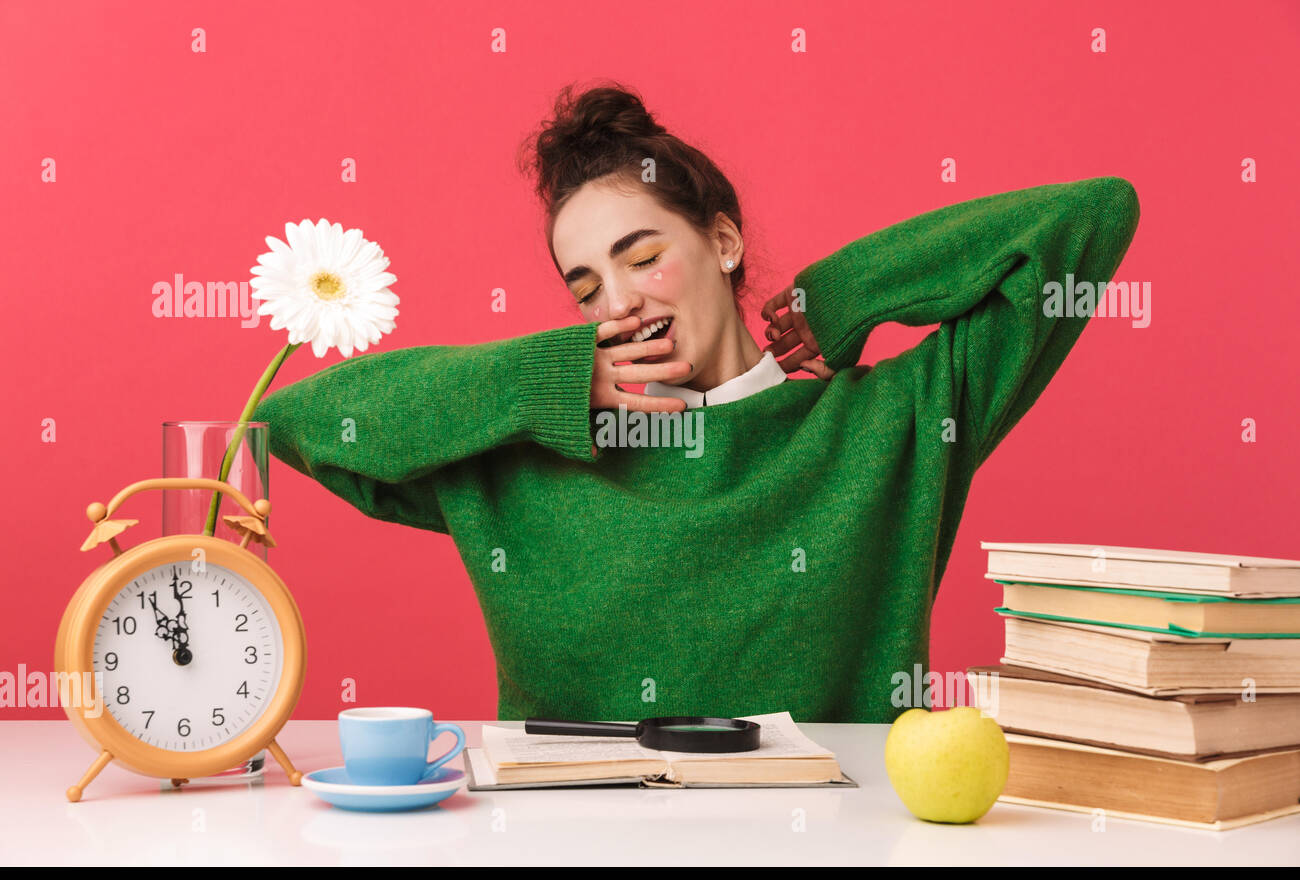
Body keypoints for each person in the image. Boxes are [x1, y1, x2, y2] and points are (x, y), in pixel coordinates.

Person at [253, 81, 1141, 723]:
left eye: (642, 258)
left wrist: (848, 295)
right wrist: (549, 381)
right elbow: (301, 421)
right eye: (585, 288)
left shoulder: (892, 425)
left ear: (724, 241)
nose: (620, 303)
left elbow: (1092, 217)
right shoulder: (525, 460)